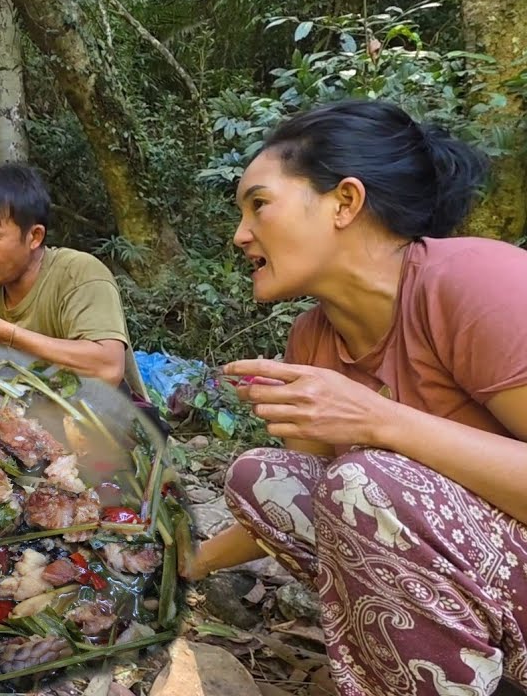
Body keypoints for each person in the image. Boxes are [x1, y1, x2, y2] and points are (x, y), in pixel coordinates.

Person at [184, 100, 527, 696]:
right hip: (490, 581)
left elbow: (372, 484)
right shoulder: (312, 339)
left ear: (345, 201)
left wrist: (378, 420)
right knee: (262, 474)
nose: (241, 235)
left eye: (258, 204)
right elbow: (314, 502)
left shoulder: (477, 281)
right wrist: (187, 563)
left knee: (363, 480)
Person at [0, 163, 144, 394]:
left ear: (35, 236)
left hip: (102, 417)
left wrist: (7, 334)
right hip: (27, 408)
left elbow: (108, 370)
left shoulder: (79, 275)